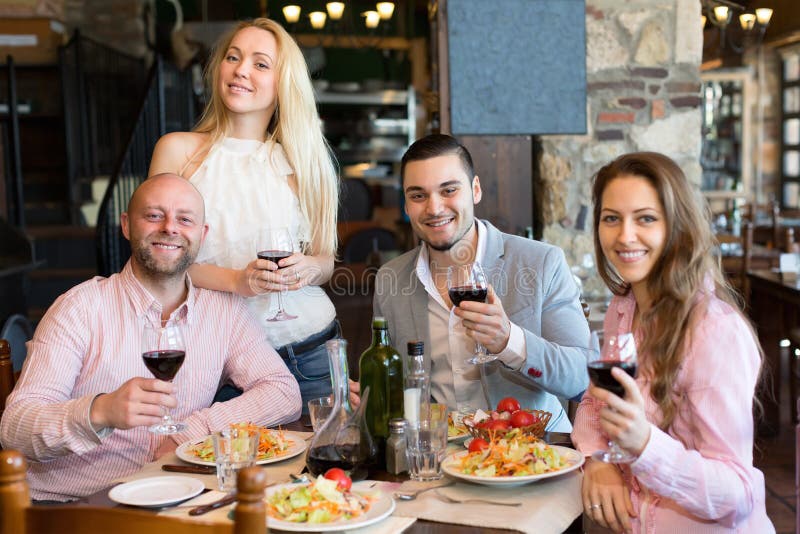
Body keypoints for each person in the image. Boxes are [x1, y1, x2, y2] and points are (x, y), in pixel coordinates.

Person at [0, 174, 302, 501]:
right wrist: (98, 412)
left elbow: (283, 392)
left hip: (173, 499)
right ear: (127, 225)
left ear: (201, 235)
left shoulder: (224, 311)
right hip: (73, 507)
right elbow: (14, 429)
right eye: (154, 215)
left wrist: (198, 430)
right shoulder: (79, 308)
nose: (170, 228)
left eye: (184, 219)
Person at [572, 152, 773, 533]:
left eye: (645, 218)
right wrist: (598, 459)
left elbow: (738, 492)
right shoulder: (624, 306)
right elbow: (595, 401)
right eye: (611, 218)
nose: (624, 235)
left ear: (676, 226)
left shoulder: (715, 331)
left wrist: (644, 446)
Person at [148, 18, 339, 410]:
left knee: (320, 471)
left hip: (310, 352)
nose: (241, 70)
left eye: (260, 63)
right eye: (233, 57)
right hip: (217, 364)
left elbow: (325, 262)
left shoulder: (306, 162)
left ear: (283, 83)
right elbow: (159, 261)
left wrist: (306, 269)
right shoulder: (177, 151)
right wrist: (237, 280)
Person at [371, 134, 590, 432]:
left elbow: (581, 379)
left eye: (448, 190)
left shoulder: (542, 262)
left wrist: (508, 340)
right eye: (418, 195)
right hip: (438, 458)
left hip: (533, 455)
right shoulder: (390, 278)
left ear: (475, 190)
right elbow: (399, 383)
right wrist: (374, 395)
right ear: (406, 205)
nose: (434, 208)